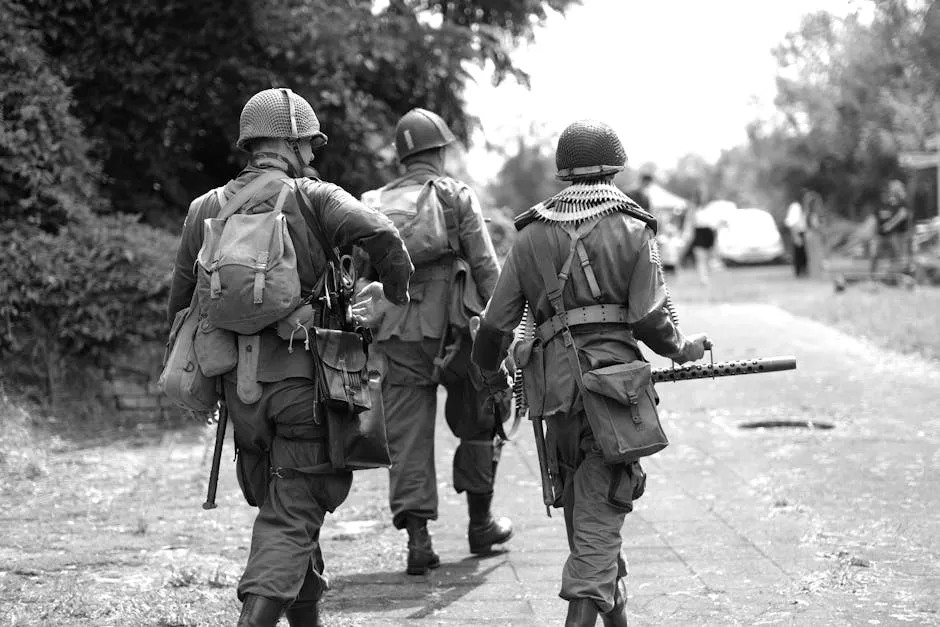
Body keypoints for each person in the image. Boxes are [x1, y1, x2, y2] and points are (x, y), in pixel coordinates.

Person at [166, 87, 413, 627]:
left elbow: (181, 306)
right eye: (311, 145)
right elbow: (384, 236)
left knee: (284, 501)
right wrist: (396, 297)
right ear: (295, 143)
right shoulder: (315, 197)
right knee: (293, 509)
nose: (314, 156)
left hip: (238, 390)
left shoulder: (203, 208)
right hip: (306, 388)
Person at [470, 119, 711, 627]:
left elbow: (494, 325)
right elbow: (650, 317)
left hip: (554, 397)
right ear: (614, 169)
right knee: (598, 534)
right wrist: (683, 349)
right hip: (615, 397)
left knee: (589, 522)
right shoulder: (634, 227)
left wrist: (488, 376)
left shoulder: (530, 235)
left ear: (564, 174)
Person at [356, 108, 513, 576]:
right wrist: (507, 328)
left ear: (402, 156)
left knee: (406, 436)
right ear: (441, 151)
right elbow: (487, 268)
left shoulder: (372, 201)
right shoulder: (454, 194)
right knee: (481, 421)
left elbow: (361, 277)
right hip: (457, 331)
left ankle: (418, 541)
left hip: (397, 332)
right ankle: (480, 524)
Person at [870, 179, 911, 273]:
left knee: (901, 256)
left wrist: (890, 225)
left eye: (893, 189)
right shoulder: (893, 202)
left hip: (901, 234)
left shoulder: (903, 202)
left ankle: (904, 276)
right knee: (894, 256)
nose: (891, 191)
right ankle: (892, 276)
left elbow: (902, 215)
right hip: (894, 234)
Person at [785, 193, 809, 277]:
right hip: (798, 232)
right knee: (798, 254)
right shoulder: (795, 207)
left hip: (803, 233)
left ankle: (804, 271)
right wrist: (796, 237)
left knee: (804, 254)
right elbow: (792, 223)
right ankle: (799, 272)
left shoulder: (804, 207)